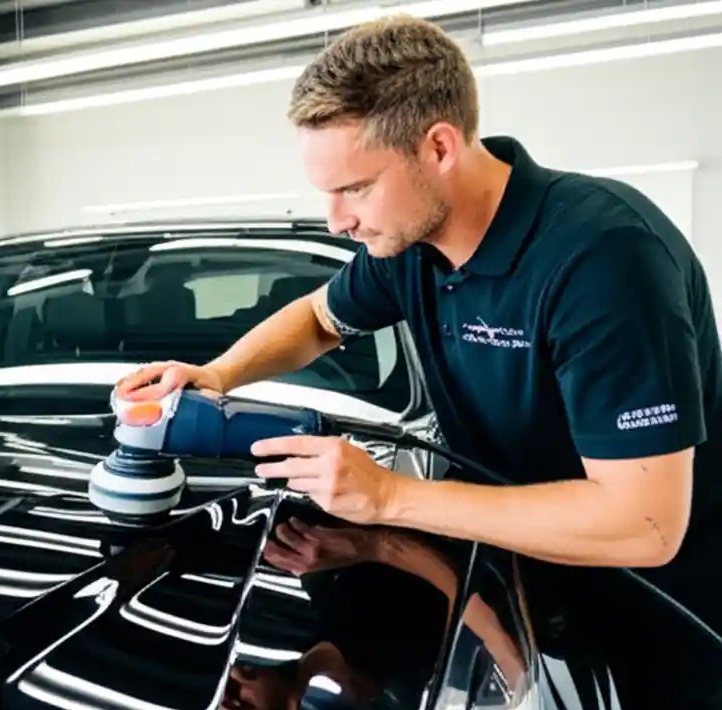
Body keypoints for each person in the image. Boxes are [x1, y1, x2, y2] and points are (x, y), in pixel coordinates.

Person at [115, 14, 722, 636]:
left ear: (439, 147)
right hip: (516, 583)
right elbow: (319, 319)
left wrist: (387, 499)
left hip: (656, 621)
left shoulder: (604, 259)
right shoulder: (410, 247)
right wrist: (217, 373)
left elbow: (643, 526)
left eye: (355, 188)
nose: (336, 221)